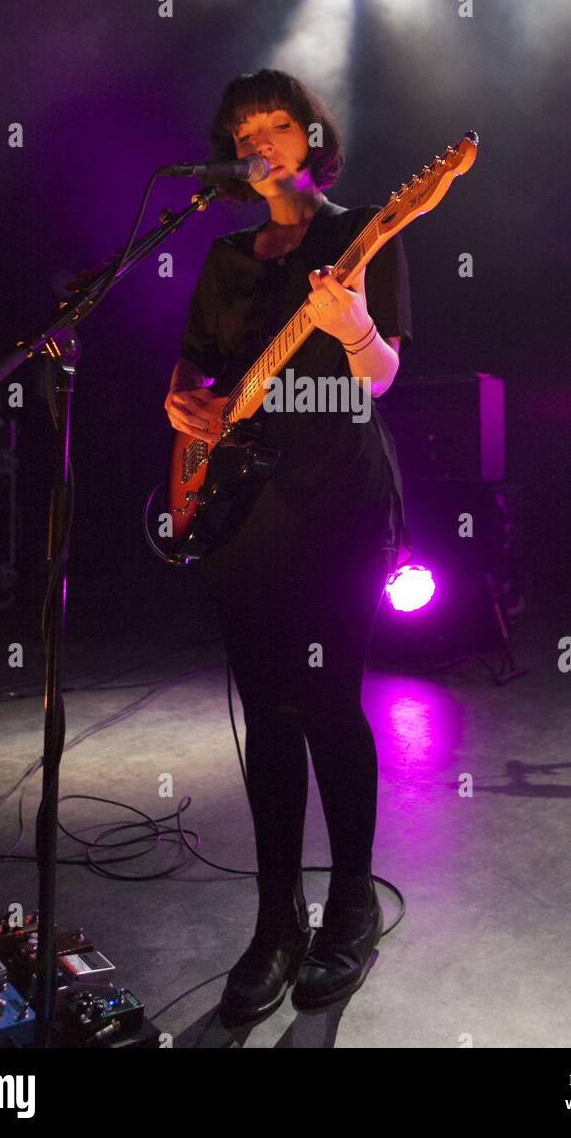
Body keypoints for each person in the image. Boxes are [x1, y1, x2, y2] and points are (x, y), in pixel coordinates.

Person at [163, 69, 413, 1027]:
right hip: (243, 515)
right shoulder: (228, 255)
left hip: (338, 499)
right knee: (265, 719)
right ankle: (276, 921)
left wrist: (348, 322)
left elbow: (384, 374)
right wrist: (177, 399)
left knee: (328, 706)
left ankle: (349, 902)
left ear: (311, 135)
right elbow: (193, 368)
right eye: (243, 127)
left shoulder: (364, 232)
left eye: (276, 122)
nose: (260, 137)